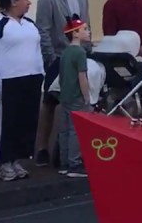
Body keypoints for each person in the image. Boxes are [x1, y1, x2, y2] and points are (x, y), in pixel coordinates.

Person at [34, 0, 90, 167]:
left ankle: (67, 146)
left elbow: (86, 24)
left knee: (74, 100)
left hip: (78, 53)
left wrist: (87, 48)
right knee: (50, 102)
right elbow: (44, 30)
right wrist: (50, 58)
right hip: (58, 55)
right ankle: (42, 147)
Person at [0, 0, 44, 182]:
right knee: (8, 122)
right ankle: (4, 161)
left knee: (27, 121)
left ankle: (18, 158)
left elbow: (37, 51)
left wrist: (41, 75)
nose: (29, 2)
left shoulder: (30, 24)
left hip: (32, 78)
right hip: (8, 80)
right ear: (13, 1)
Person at [55, 16, 92, 178]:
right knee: (75, 131)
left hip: (65, 96)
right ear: (75, 33)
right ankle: (74, 163)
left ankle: (64, 163)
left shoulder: (65, 52)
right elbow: (82, 77)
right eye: (84, 29)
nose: (88, 31)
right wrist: (87, 97)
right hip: (77, 96)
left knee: (64, 130)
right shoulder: (80, 53)